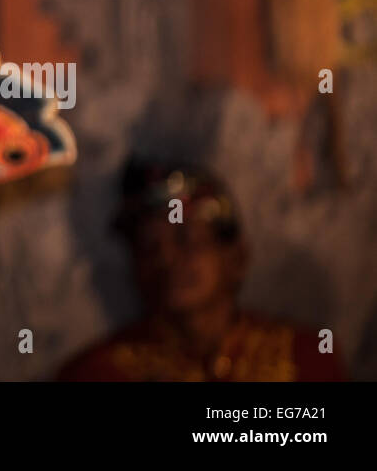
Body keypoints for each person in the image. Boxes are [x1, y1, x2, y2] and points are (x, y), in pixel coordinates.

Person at [57, 159, 346, 382]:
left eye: (187, 239)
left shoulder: (307, 359)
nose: (167, 258)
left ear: (236, 258)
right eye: (148, 246)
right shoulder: (96, 373)